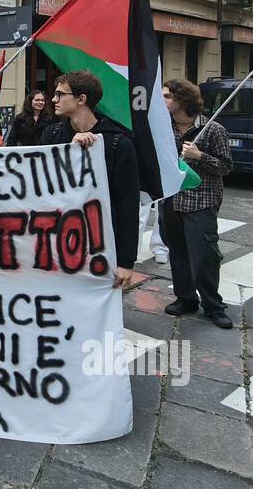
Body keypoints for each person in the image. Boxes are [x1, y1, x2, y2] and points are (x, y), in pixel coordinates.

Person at [40, 71, 138, 291]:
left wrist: (126, 261)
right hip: (56, 241)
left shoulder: (119, 142)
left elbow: (127, 204)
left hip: (101, 243)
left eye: (59, 94)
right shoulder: (51, 135)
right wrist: (70, 151)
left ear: (81, 99)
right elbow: (41, 184)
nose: (53, 100)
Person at [159, 79, 234, 329]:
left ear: (182, 100)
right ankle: (185, 298)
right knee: (178, 252)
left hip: (200, 201)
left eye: (167, 96)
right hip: (171, 199)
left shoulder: (213, 130)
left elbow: (226, 166)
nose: (163, 101)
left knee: (204, 257)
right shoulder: (162, 127)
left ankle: (213, 305)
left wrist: (199, 156)